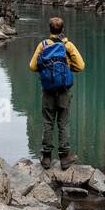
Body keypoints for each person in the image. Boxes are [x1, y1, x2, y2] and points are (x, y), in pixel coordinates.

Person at [29, 15, 85, 168]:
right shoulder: (68, 45)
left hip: (47, 91)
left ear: (49, 29)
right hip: (63, 91)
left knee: (48, 122)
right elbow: (80, 66)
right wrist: (67, 68)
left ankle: (46, 157)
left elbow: (33, 66)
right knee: (63, 123)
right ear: (62, 29)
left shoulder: (43, 45)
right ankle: (64, 157)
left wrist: (46, 71)